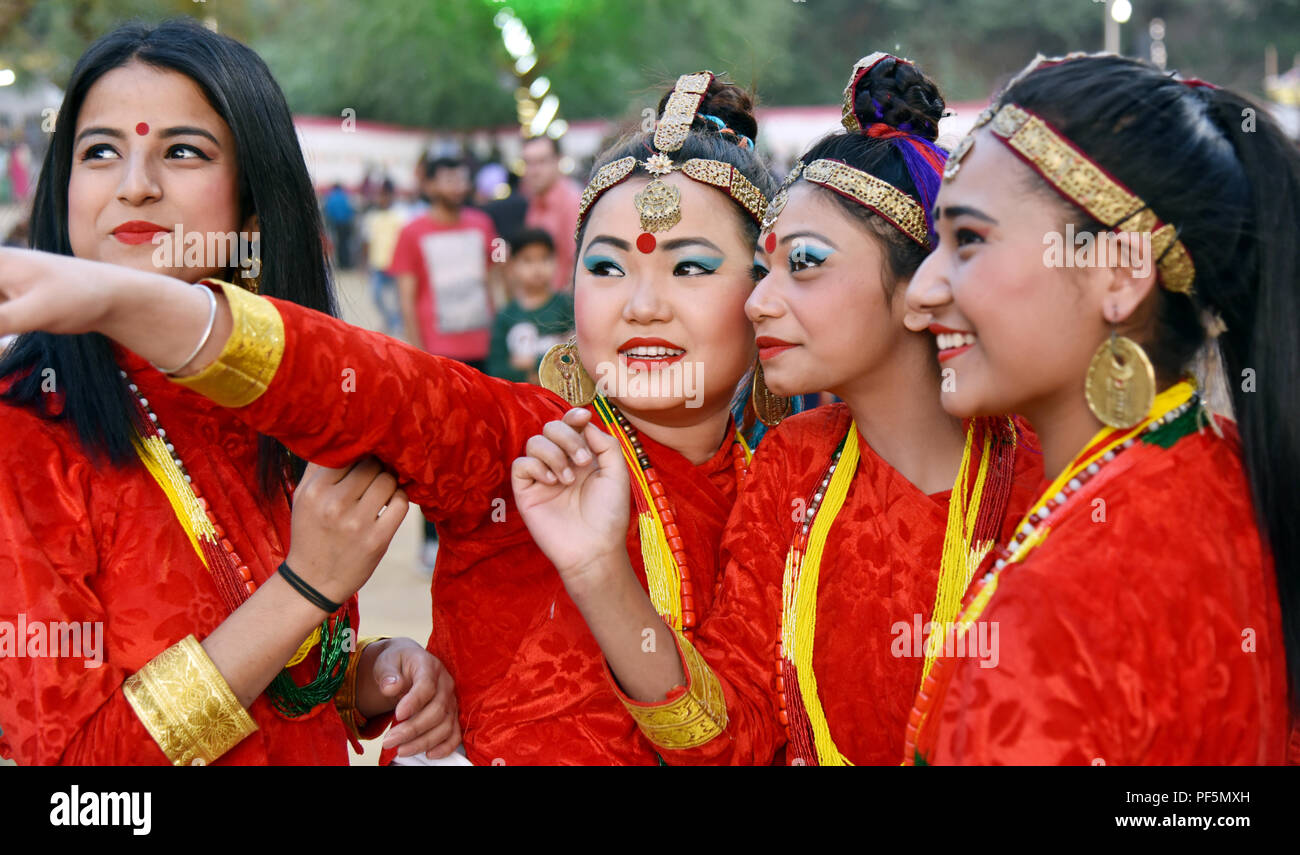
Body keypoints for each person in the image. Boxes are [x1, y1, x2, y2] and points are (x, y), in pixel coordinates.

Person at [0, 71, 777, 765]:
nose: (642, 304)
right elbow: (374, 387)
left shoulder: (792, 483)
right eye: (607, 266)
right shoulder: (528, 444)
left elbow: (734, 740)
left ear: (764, 294)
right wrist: (117, 297)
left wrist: (370, 675)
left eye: (690, 267)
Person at [510, 54, 1044, 765]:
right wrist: (598, 575)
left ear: (924, 285)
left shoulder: (1047, 467)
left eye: (806, 262)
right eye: (766, 267)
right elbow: (733, 733)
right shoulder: (794, 465)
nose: (758, 301)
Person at [0, 19, 457, 766]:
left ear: (253, 207)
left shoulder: (289, 404)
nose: (134, 184)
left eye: (181, 151)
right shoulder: (27, 431)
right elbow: (78, 780)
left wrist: (370, 676)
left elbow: (290, 676)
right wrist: (306, 586)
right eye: (100, 151)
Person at [899, 53, 1298, 764]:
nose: (922, 291)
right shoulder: (1228, 475)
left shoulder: (1058, 604)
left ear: (1118, 274)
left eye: (969, 240)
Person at [390, 154, 501, 573]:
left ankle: (478, 532)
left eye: (461, 174)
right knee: (437, 447)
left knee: (482, 443)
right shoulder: (413, 232)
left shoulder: (481, 225)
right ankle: (430, 538)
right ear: (430, 183)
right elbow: (406, 293)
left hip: (482, 348)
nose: (456, 182)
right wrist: (419, 355)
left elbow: (494, 280)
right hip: (438, 354)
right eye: (447, 175)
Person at [486, 228, 574, 384]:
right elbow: (496, 369)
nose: (537, 268)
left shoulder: (567, 305)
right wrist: (528, 377)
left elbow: (576, 354)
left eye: (545, 259)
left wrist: (531, 362)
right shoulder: (505, 316)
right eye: (528, 260)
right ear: (512, 266)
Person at [521, 134, 582, 292]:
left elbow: (577, 267)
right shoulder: (535, 201)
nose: (533, 171)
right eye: (528, 163)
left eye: (541, 162)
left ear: (557, 161)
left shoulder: (572, 202)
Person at [359, 178, 407, 335]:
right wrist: (364, 263)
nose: (382, 198)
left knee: (399, 298)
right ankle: (390, 320)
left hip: (396, 265)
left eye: (385, 195)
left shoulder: (401, 216)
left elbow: (405, 241)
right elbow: (367, 241)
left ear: (392, 196)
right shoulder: (372, 217)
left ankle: (397, 323)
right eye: (380, 195)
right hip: (377, 264)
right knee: (376, 296)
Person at [322, 182, 355, 270]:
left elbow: (328, 211)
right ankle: (346, 263)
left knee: (338, 244)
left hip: (337, 225)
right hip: (346, 224)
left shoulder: (331, 197)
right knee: (345, 244)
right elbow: (351, 211)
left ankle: (340, 264)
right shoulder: (345, 196)